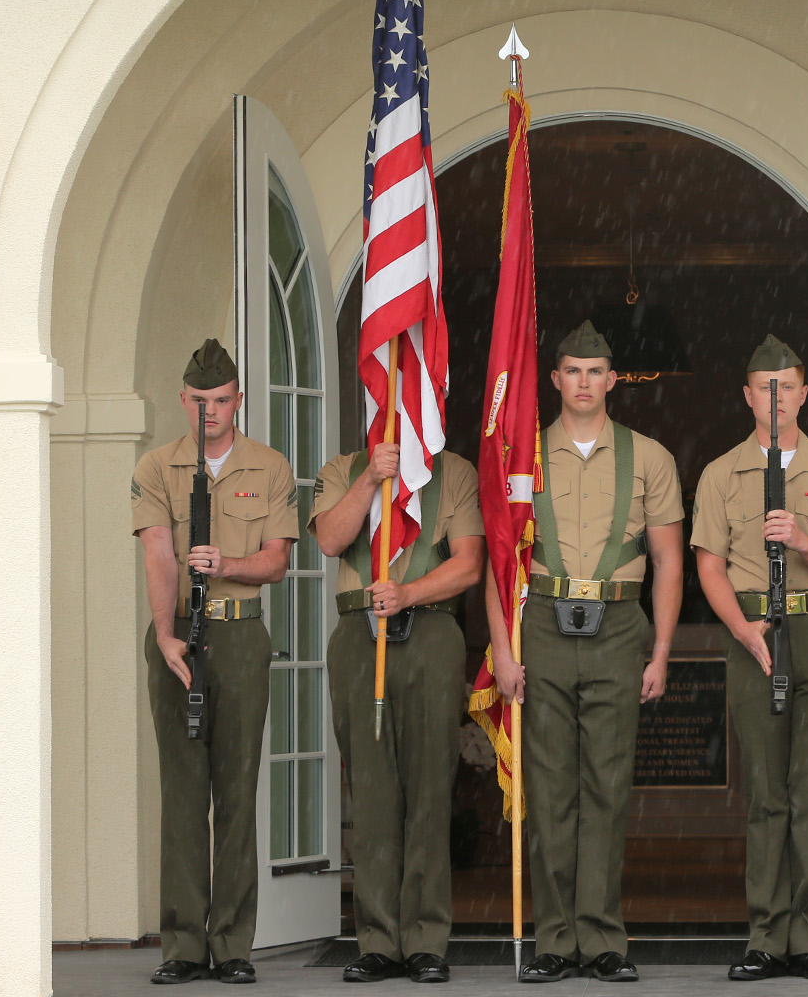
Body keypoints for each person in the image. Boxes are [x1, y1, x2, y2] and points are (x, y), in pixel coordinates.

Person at [485, 320, 685, 984]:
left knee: (606, 786)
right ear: (555, 378)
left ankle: (602, 939)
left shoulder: (650, 457)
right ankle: (554, 940)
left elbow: (666, 560)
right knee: (549, 789)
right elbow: (499, 563)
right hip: (540, 622)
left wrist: (659, 653)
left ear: (613, 380)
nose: (584, 383)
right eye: (572, 371)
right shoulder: (523, 457)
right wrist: (502, 652)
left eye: (596, 372)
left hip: (618, 625)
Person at [690, 335, 808, 983]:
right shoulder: (719, 474)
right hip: (754, 632)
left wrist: (804, 540)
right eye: (765, 386)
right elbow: (707, 566)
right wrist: (741, 629)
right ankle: (764, 937)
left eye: (786, 385)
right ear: (747, 396)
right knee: (766, 793)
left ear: (803, 393)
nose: (776, 397)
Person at [132, 339, 299, 985]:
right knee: (182, 793)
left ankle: (231, 944)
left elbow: (277, 562)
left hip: (238, 635)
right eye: (199, 401)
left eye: (221, 400)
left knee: (236, 791)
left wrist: (226, 565)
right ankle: (182, 944)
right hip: (179, 634)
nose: (210, 411)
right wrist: (166, 633)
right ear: (184, 400)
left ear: (238, 400)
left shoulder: (269, 467)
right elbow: (156, 551)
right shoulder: (157, 467)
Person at [309, 441, 485, 983]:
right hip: (359, 634)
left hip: (429, 629)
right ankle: (379, 941)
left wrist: (408, 592)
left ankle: (427, 941)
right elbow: (332, 540)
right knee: (373, 792)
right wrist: (370, 481)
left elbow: (469, 564)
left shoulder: (453, 472)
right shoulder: (341, 470)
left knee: (430, 790)